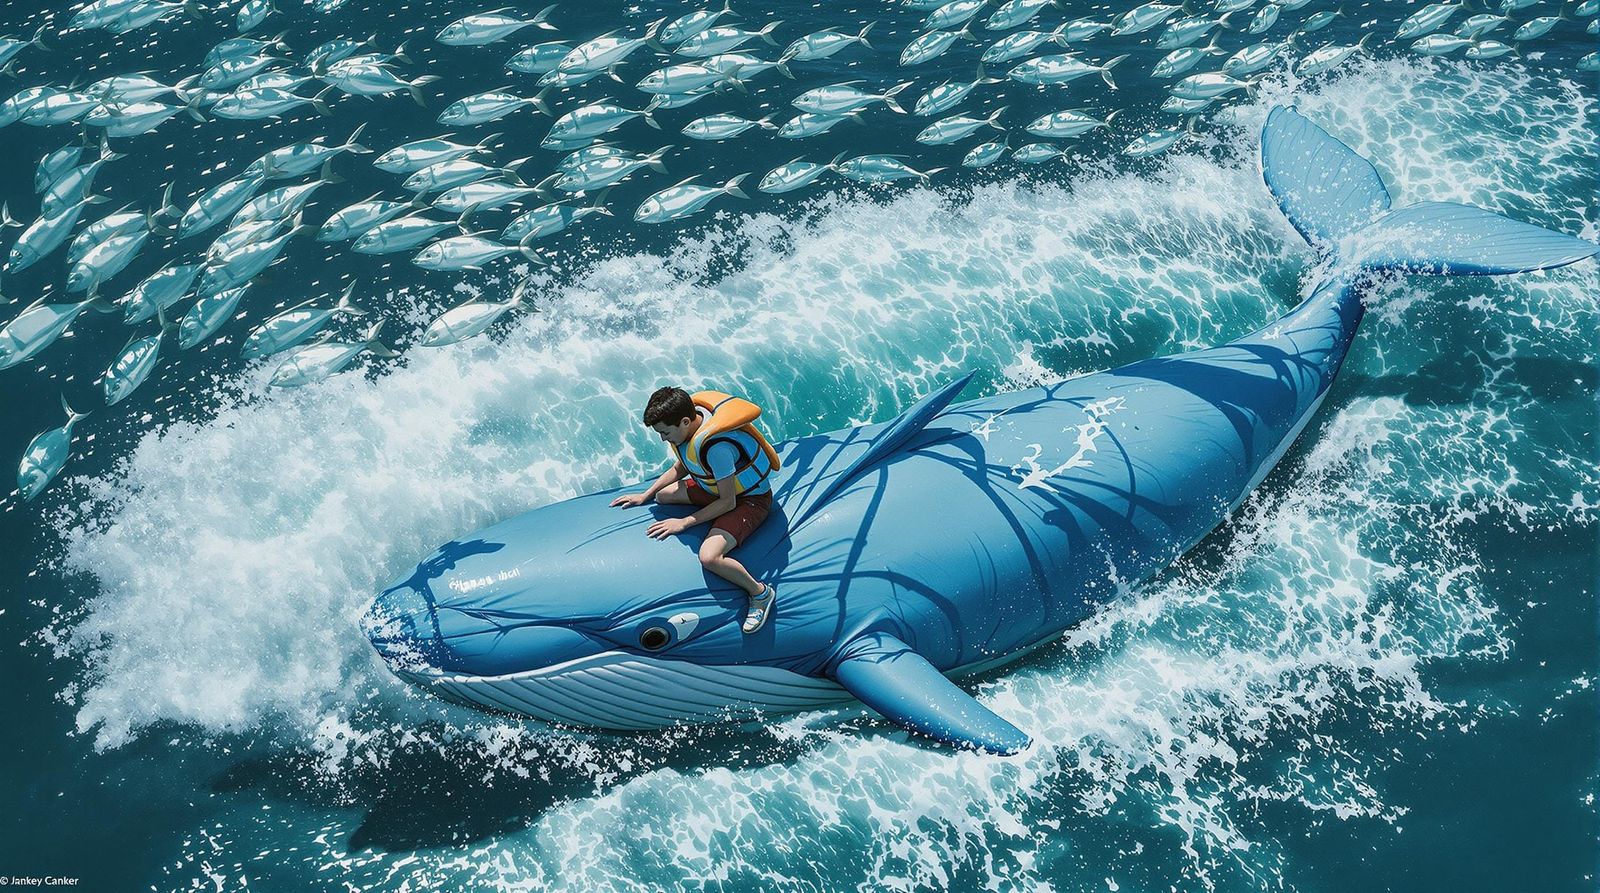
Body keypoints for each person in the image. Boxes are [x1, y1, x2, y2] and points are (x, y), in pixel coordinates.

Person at [610, 386, 782, 633]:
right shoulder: (690, 431)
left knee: (709, 557)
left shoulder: (717, 449)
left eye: (665, 433)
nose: (663, 439)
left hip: (749, 500)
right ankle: (660, 497)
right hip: (715, 488)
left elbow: (728, 503)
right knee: (663, 496)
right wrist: (644, 496)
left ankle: (760, 593)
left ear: (685, 421)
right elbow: (682, 466)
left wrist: (684, 523)